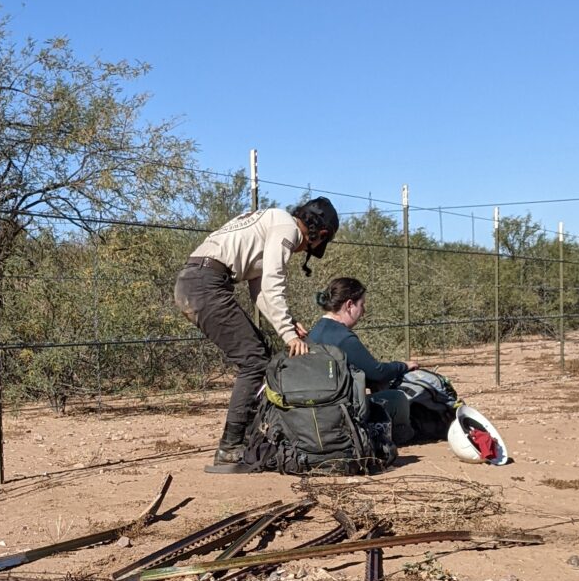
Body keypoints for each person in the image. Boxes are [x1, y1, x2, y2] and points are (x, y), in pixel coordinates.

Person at [174, 196, 340, 471]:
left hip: (196, 280)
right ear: (319, 234)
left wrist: (289, 322)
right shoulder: (287, 228)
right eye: (313, 247)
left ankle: (246, 440)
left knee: (257, 354)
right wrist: (289, 336)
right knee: (254, 360)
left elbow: (260, 291)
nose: (301, 252)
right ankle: (231, 448)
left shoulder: (270, 222)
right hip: (206, 284)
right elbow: (274, 283)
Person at [309, 275, 416, 445]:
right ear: (349, 305)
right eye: (362, 304)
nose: (363, 311)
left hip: (317, 412)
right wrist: (403, 365)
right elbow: (377, 371)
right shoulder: (343, 337)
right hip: (343, 411)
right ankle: (399, 438)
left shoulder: (314, 332)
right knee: (398, 398)